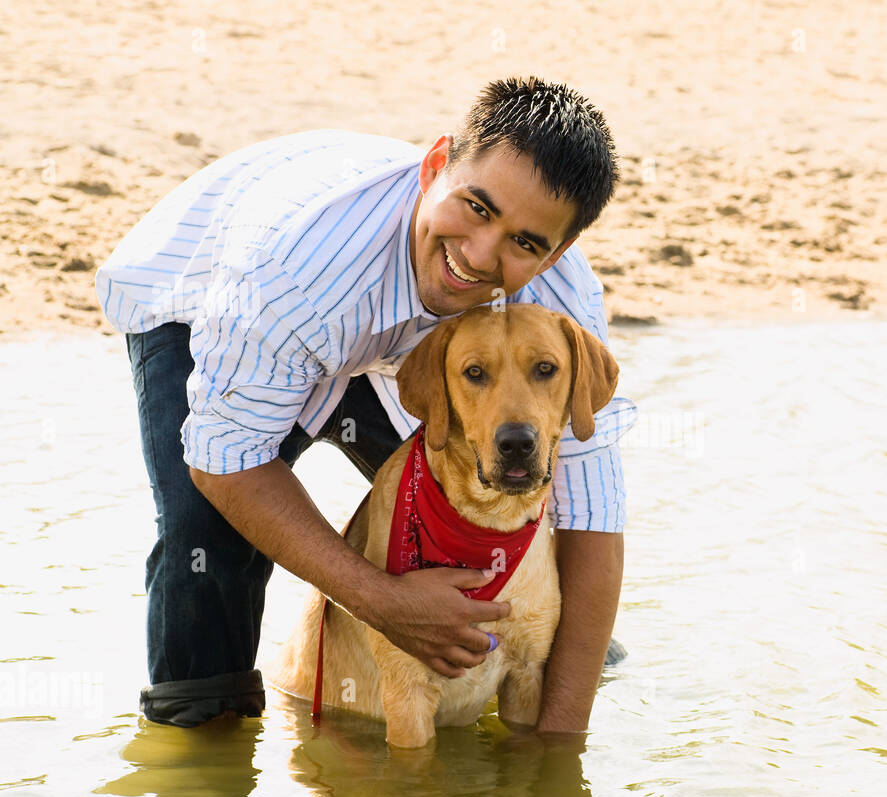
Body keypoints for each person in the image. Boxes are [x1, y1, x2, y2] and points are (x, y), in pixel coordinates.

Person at [97, 77, 637, 733]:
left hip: (406, 347)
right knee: (206, 534)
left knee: (498, 487)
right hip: (205, 295)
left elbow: (592, 513)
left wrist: (557, 757)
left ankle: (527, 644)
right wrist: (380, 599)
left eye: (526, 242)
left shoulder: (560, 304)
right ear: (436, 166)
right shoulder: (287, 272)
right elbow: (226, 462)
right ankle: (204, 744)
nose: (479, 254)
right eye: (476, 206)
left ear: (559, 249)